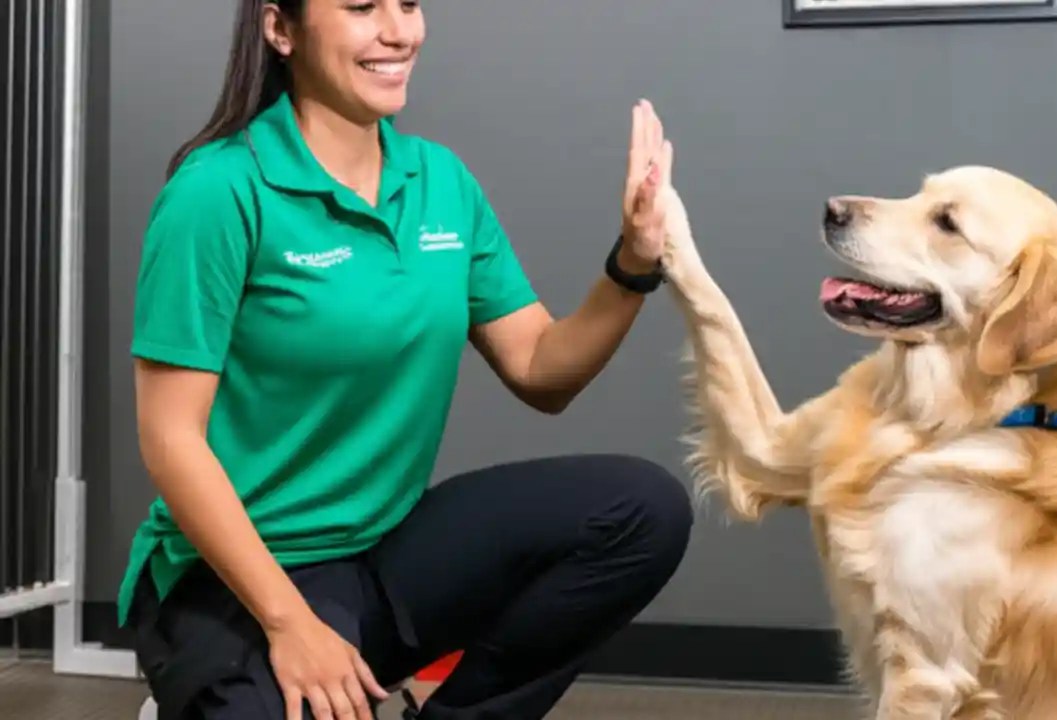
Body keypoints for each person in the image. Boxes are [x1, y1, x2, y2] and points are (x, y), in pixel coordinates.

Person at [116, 1, 693, 719]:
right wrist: (291, 623)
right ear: (280, 29)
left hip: (383, 553)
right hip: (236, 577)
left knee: (641, 511)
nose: (398, 31)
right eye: (362, 7)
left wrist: (634, 261)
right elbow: (170, 440)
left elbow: (543, 370)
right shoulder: (218, 190)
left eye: (409, 3)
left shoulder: (439, 183)